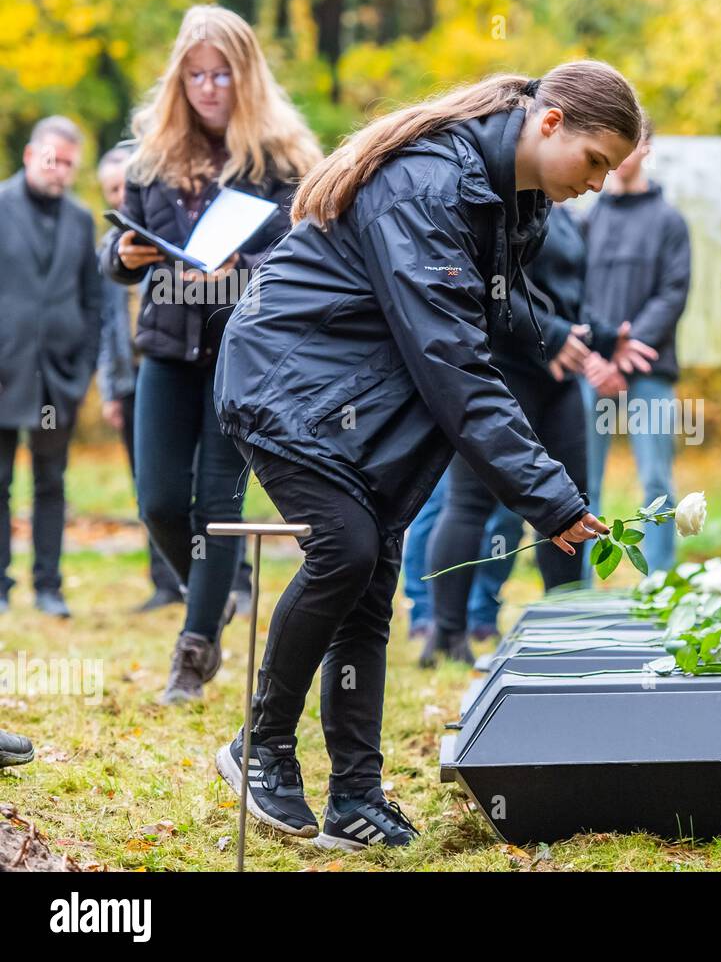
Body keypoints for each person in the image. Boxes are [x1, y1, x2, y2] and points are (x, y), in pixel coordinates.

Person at [212, 62, 642, 849]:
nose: (599, 183)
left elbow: (492, 313)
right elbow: (451, 358)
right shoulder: (427, 184)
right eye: (596, 161)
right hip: (291, 379)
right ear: (551, 125)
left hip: (366, 399)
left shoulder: (517, 203)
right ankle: (261, 745)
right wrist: (550, 498)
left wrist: (573, 344)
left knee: (372, 577)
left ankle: (354, 797)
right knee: (344, 549)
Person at [101, 6, 321, 702]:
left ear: (245, 75)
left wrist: (238, 262)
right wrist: (124, 253)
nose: (207, 87)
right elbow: (120, 256)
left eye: (221, 73)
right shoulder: (152, 155)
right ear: (179, 77)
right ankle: (215, 589)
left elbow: (303, 256)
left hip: (241, 350)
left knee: (217, 506)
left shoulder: (283, 160)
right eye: (195, 74)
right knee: (159, 498)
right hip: (166, 346)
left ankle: (193, 656)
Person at [422, 203, 656, 666]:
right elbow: (491, 292)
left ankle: (563, 623)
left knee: (570, 499)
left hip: (558, 383)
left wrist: (606, 338)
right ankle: (446, 635)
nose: (594, 180)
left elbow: (568, 301)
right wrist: (549, 333)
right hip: (500, 375)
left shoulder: (566, 217)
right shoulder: (504, 208)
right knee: (469, 503)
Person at [0, 116, 103, 619]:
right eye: (51, 159)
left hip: (57, 378)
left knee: (50, 483)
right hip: (4, 372)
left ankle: (48, 586)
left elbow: (94, 303)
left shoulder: (82, 220)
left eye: (68, 163)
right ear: (29, 155)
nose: (58, 170)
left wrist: (82, 371)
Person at [581, 120, 691, 575]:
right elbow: (572, 291)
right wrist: (598, 353)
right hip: (590, 370)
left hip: (649, 369)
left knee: (657, 481)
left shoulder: (669, 221)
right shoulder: (588, 217)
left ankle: (660, 581)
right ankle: (578, 586)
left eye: (630, 146)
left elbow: (674, 292)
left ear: (645, 147)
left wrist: (629, 348)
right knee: (583, 485)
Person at [96, 146, 186, 612]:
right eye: (112, 191)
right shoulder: (111, 255)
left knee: (201, 485)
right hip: (131, 378)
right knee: (148, 485)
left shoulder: (171, 241)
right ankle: (165, 581)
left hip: (171, 366)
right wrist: (110, 389)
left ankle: (222, 579)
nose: (120, 197)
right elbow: (106, 330)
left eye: (123, 188)